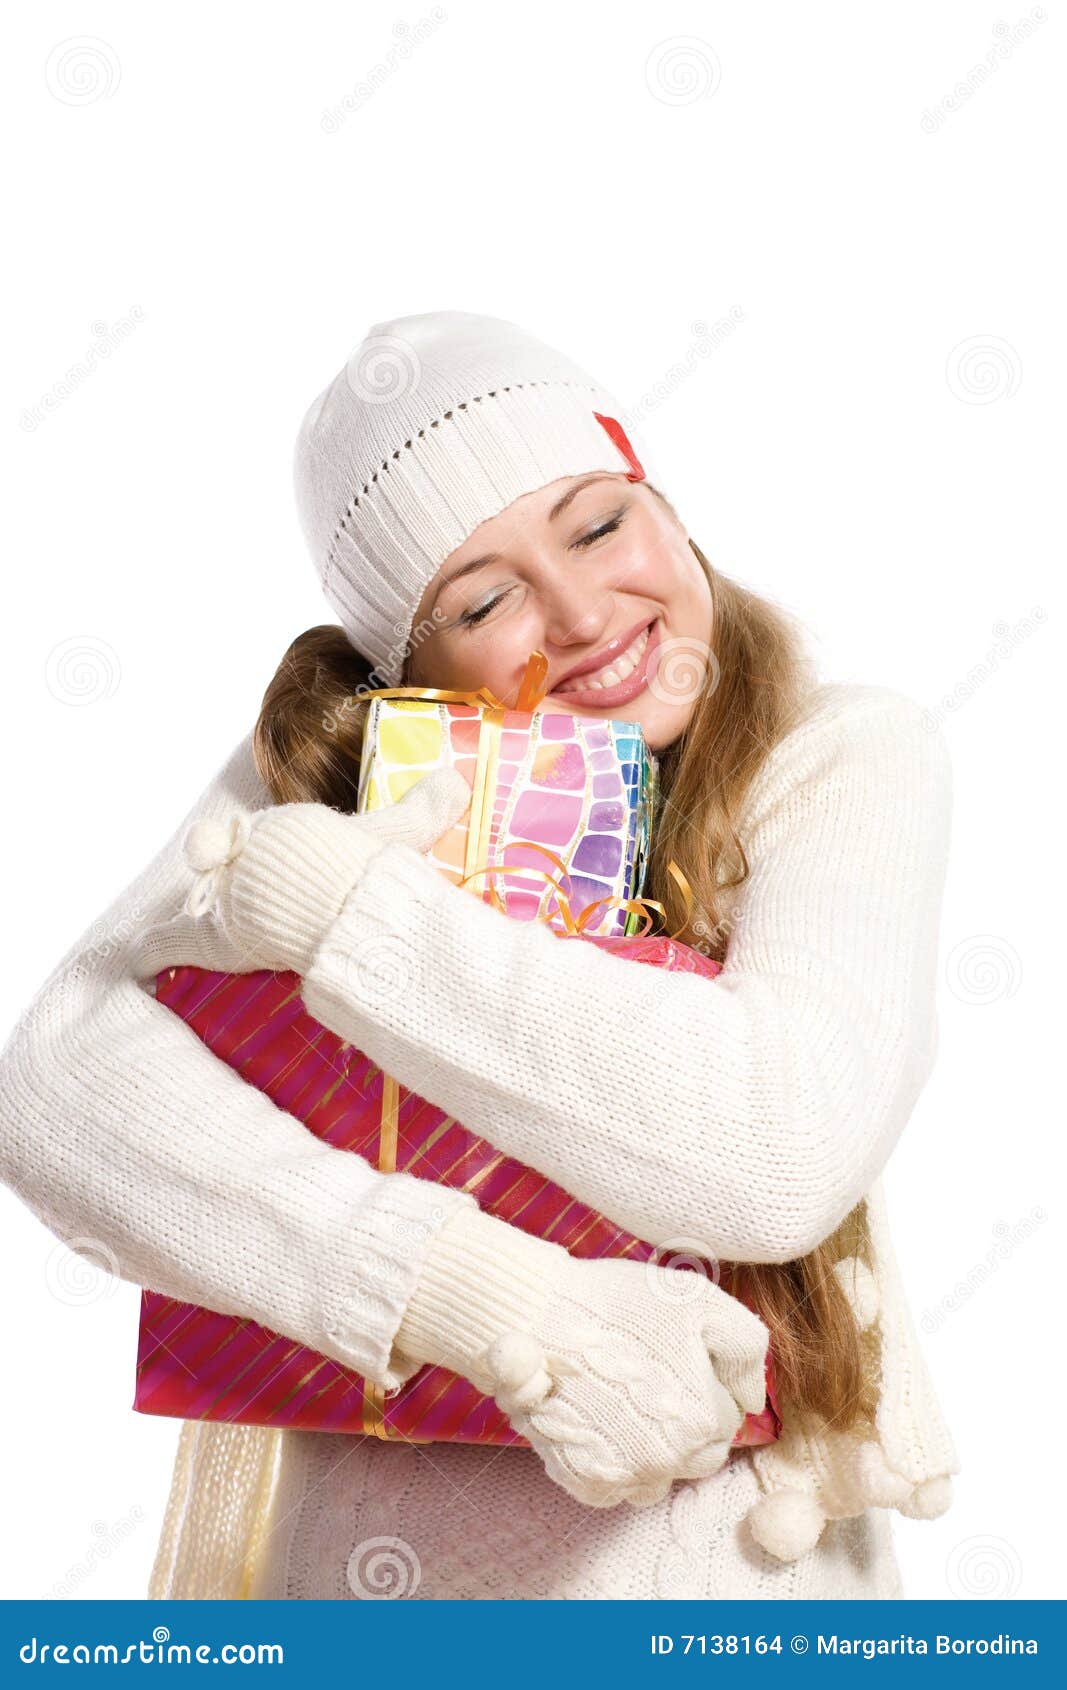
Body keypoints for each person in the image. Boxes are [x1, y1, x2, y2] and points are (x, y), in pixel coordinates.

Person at [0, 310, 958, 1601]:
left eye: (598, 520)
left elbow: (777, 1147)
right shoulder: (351, 773)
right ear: (414, 667)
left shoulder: (839, 754)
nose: (578, 613)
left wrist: (357, 923)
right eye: (483, 596)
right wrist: (499, 1305)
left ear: (661, 500)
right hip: (357, 1612)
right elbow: (57, 1085)